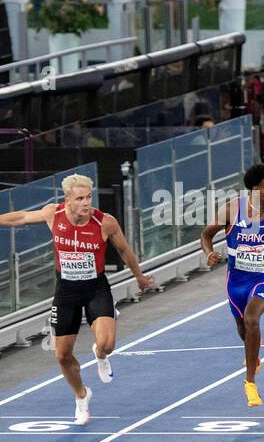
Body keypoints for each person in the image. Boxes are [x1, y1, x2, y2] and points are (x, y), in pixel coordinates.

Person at [0, 175, 154, 425]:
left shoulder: (105, 222)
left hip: (96, 289)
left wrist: (140, 277)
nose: (86, 203)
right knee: (62, 355)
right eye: (80, 198)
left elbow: (124, 250)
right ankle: (82, 396)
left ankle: (100, 354)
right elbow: (21, 218)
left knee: (107, 344)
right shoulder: (54, 214)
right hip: (66, 292)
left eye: (89, 197)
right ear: (67, 200)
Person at [200, 164, 264, 407]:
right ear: (255, 189)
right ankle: (252, 349)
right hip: (236, 281)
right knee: (242, 325)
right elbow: (205, 235)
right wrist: (209, 253)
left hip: (263, 278)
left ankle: (250, 382)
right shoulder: (231, 210)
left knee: (252, 319)